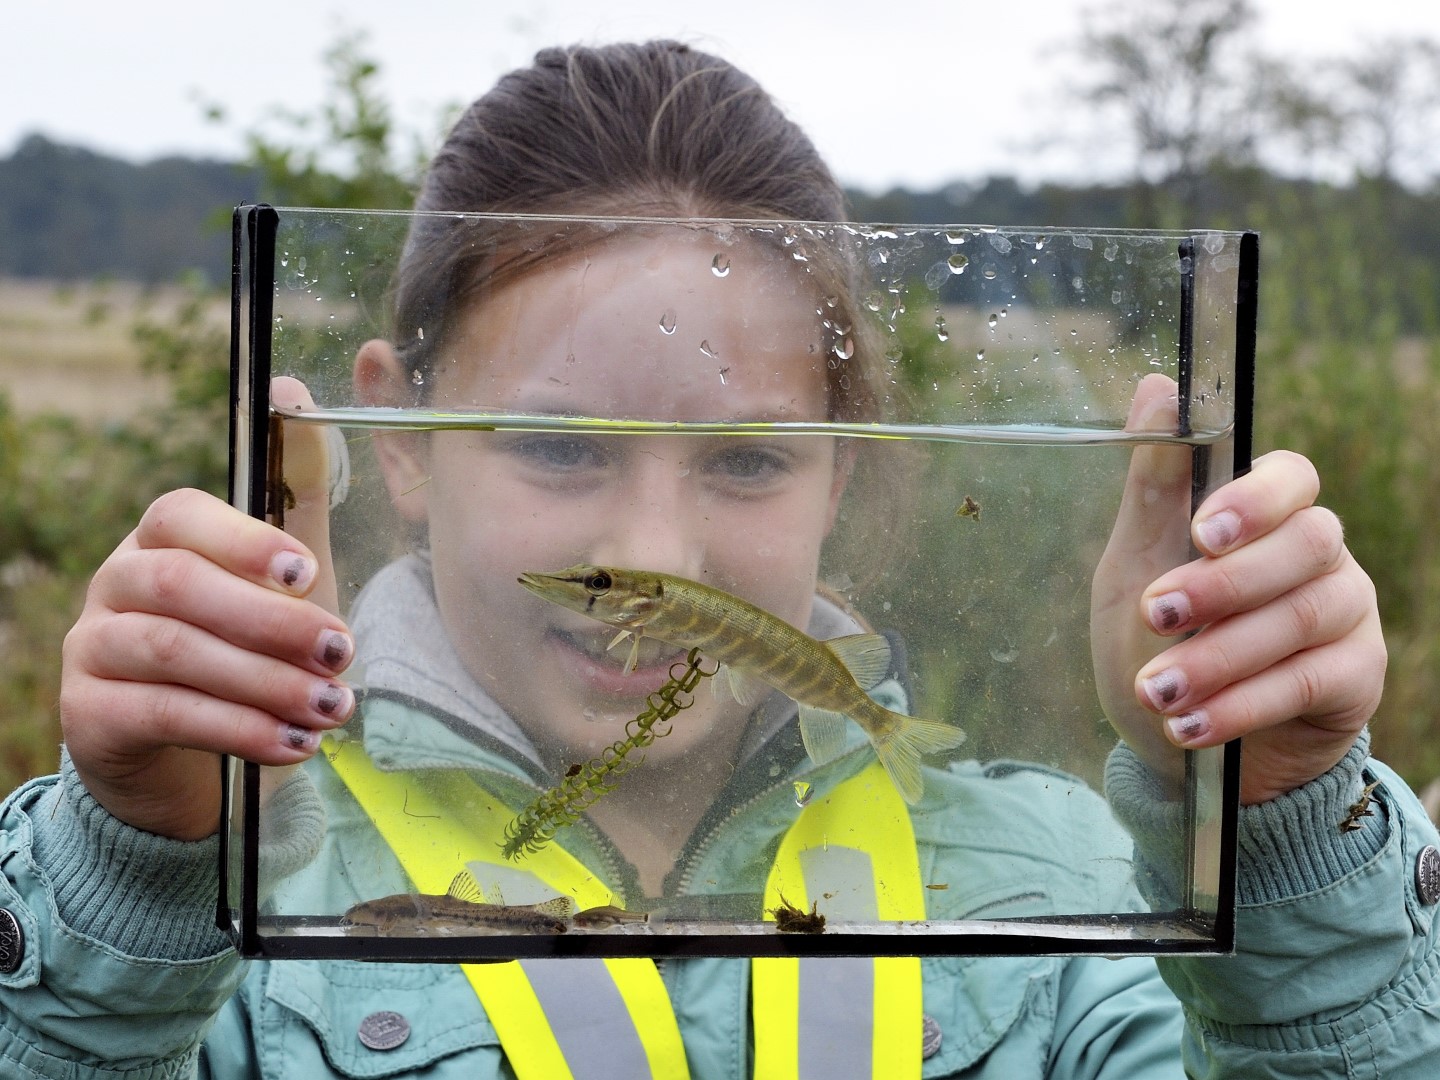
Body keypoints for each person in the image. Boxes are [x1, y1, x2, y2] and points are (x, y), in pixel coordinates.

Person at [0, 40, 1432, 1080]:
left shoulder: (1059, 882)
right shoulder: (211, 895)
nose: (650, 551)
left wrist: (1273, 817)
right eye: (558, 447)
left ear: (843, 473)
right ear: (406, 438)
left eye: (746, 461)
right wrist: (139, 865)